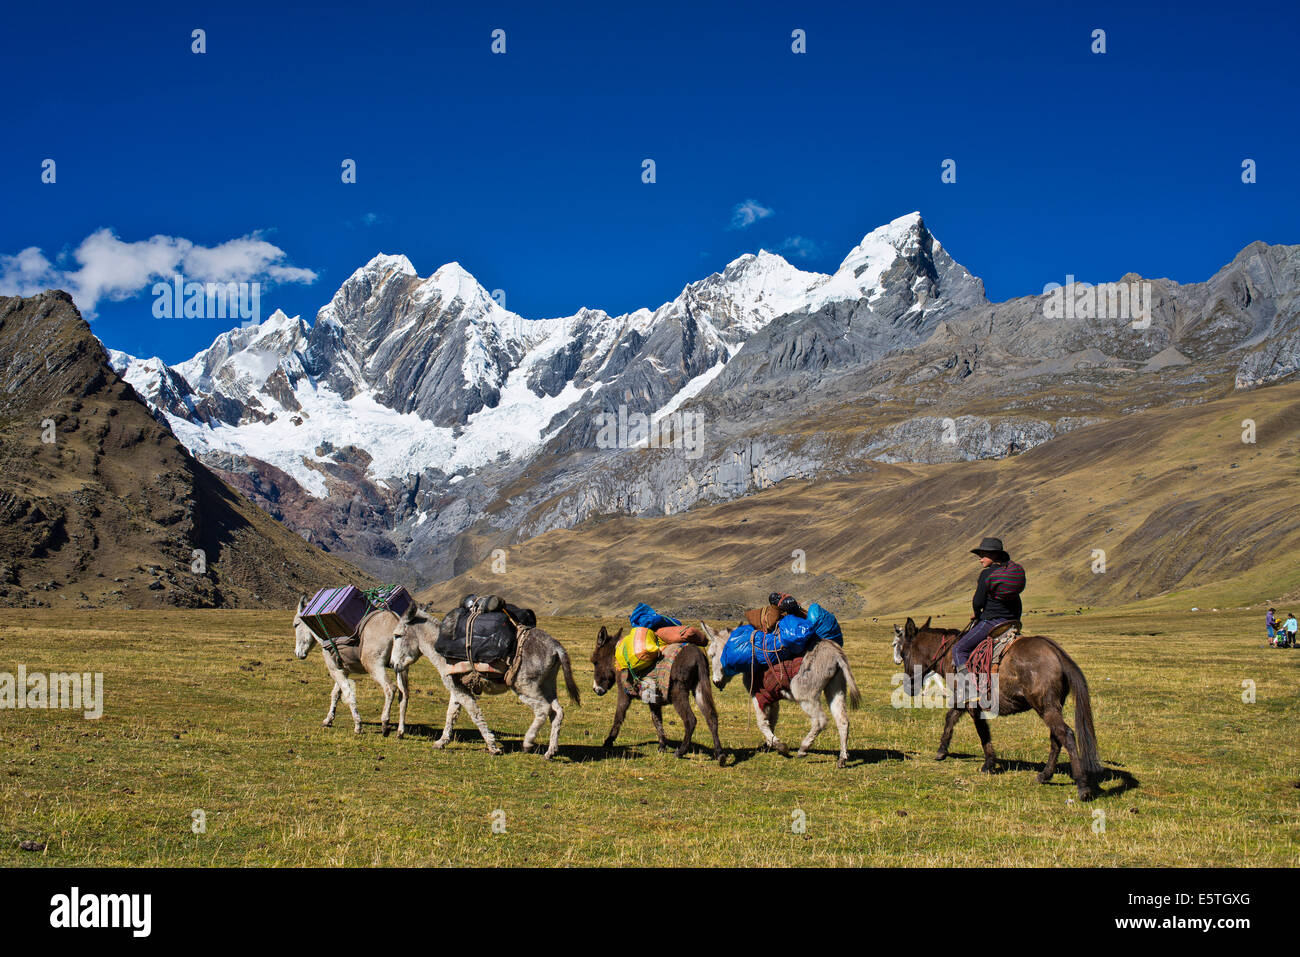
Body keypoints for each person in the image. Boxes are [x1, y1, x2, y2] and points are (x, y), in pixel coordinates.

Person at [952, 537, 1026, 706]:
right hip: (1013, 621)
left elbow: (978, 601)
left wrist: (977, 613)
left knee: (959, 649)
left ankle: (970, 690)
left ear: (993, 555)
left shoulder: (987, 574)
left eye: (983, 555)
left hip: (992, 622)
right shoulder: (1010, 572)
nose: (980, 559)